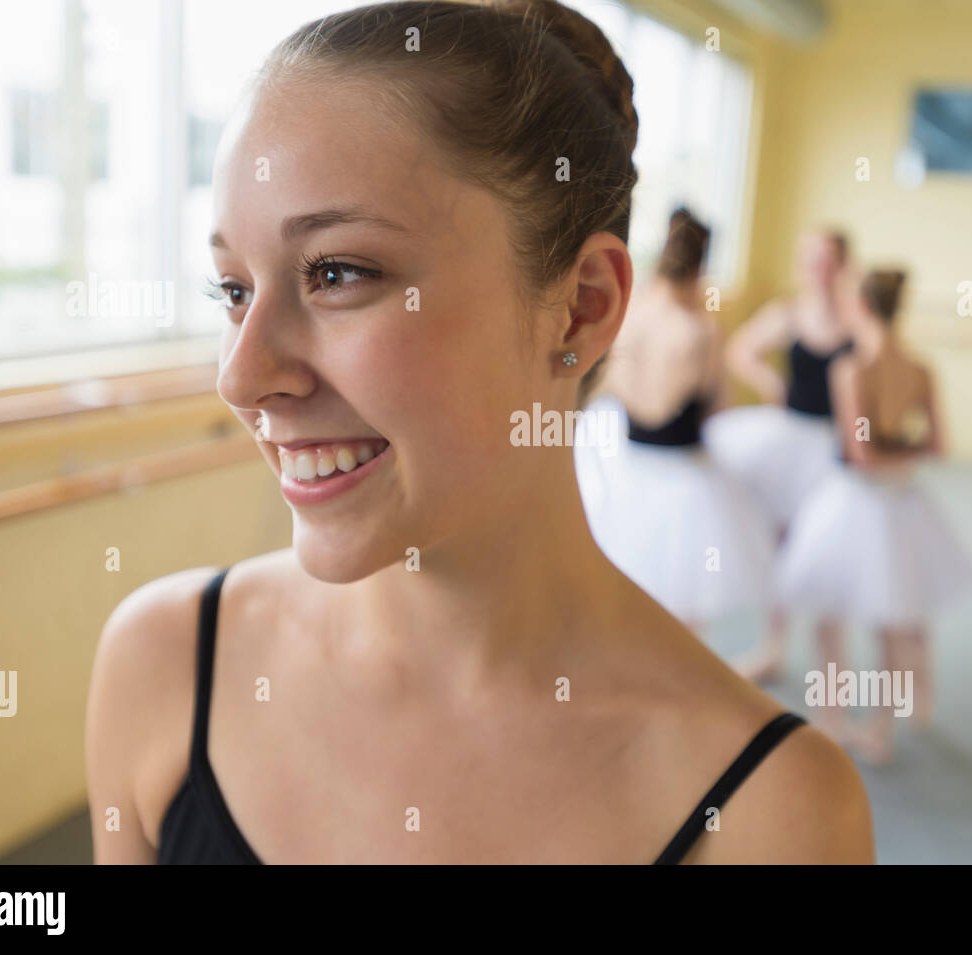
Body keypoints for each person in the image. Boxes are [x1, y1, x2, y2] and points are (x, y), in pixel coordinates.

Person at [84, 0, 873, 864]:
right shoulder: (162, 662)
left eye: (338, 272)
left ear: (581, 308)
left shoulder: (776, 812)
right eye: (232, 290)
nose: (240, 375)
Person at [776, 269, 972, 763]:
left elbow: (860, 452)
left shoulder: (851, 369)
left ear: (862, 307)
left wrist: (880, 449)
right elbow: (937, 444)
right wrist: (901, 448)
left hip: (857, 501)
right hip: (902, 498)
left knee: (831, 615)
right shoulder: (920, 368)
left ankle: (833, 718)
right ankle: (882, 728)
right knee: (894, 620)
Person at [574, 207, 774, 639]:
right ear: (702, 265)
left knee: (625, 586)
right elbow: (713, 406)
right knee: (684, 609)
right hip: (684, 476)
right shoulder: (699, 330)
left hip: (629, 468)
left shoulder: (629, 314)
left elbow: (613, 389)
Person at [702, 229, 855, 683]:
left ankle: (829, 658)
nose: (820, 267)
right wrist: (774, 386)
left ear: (843, 265)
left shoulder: (856, 318)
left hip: (835, 444)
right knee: (780, 542)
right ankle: (773, 644)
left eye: (828, 259)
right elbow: (740, 351)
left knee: (832, 546)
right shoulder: (787, 313)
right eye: (813, 258)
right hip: (790, 441)